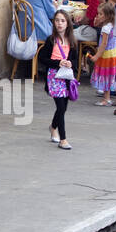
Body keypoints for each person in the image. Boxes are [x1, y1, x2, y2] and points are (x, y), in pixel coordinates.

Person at [38, 10, 80, 150]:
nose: (59, 24)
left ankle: (53, 127)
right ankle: (63, 139)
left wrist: (70, 63)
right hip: (54, 76)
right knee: (61, 107)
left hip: (66, 76)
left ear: (68, 23)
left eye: (62, 21)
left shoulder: (72, 41)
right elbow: (42, 58)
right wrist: (57, 63)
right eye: (57, 20)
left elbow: (76, 60)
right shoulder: (51, 40)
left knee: (64, 108)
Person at [88, 1, 116, 107]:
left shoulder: (105, 28)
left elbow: (103, 44)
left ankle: (106, 98)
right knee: (114, 77)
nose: (98, 16)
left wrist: (96, 56)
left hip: (106, 56)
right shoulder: (112, 25)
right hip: (115, 55)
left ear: (107, 16)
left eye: (100, 14)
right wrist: (97, 22)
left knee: (106, 77)